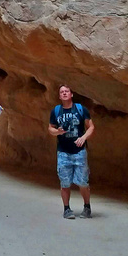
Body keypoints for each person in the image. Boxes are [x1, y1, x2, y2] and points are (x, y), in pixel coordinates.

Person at [48, 84, 95, 219]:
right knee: (65, 182)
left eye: (66, 91)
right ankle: (67, 209)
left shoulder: (81, 109)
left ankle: (87, 207)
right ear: (59, 96)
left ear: (71, 94)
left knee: (82, 182)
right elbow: (50, 128)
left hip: (79, 151)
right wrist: (57, 132)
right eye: (61, 92)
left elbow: (91, 127)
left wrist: (84, 137)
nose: (64, 93)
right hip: (63, 152)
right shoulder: (56, 111)